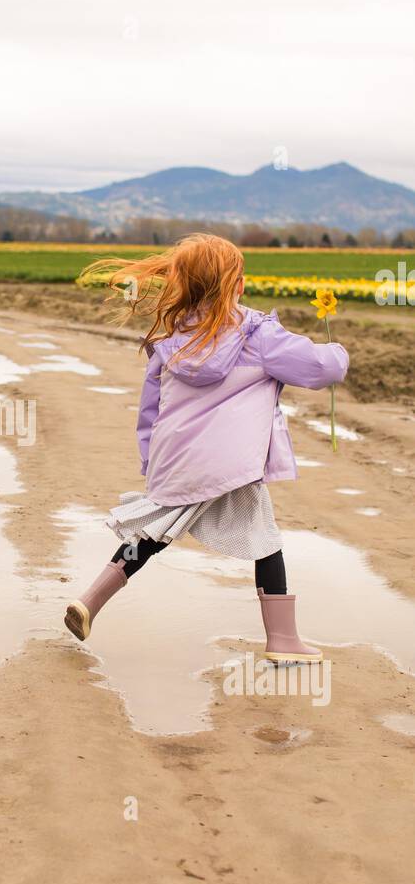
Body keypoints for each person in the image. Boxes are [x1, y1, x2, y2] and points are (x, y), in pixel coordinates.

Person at [64, 234, 348, 663]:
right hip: (230, 464)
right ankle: (283, 641)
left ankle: (90, 601)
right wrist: (338, 352)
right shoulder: (256, 334)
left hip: (180, 459)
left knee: (155, 533)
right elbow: (319, 368)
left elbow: (149, 409)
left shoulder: (174, 339)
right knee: (265, 539)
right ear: (234, 285)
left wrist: (151, 460)